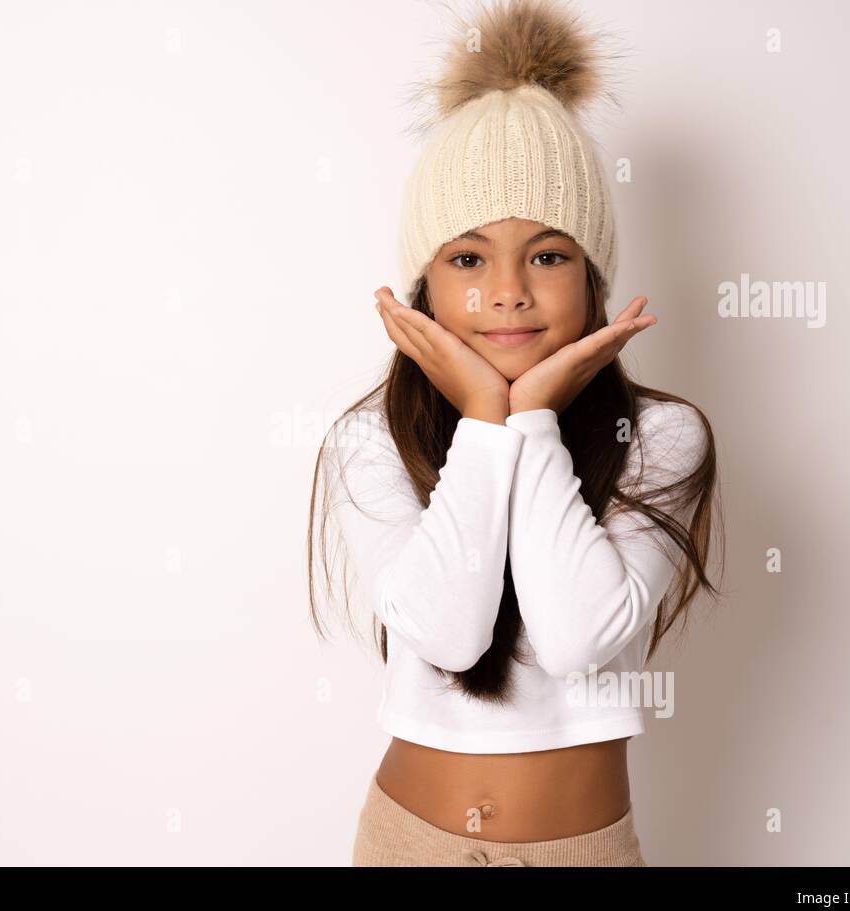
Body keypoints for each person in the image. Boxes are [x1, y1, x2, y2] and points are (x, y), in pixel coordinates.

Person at [306, 0, 722, 866]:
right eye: (466, 259)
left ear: (594, 276)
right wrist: (487, 424)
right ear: (423, 284)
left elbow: (578, 638)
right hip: (405, 842)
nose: (507, 292)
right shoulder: (368, 441)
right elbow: (452, 635)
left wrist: (528, 417)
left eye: (547, 254)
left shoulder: (660, 437)